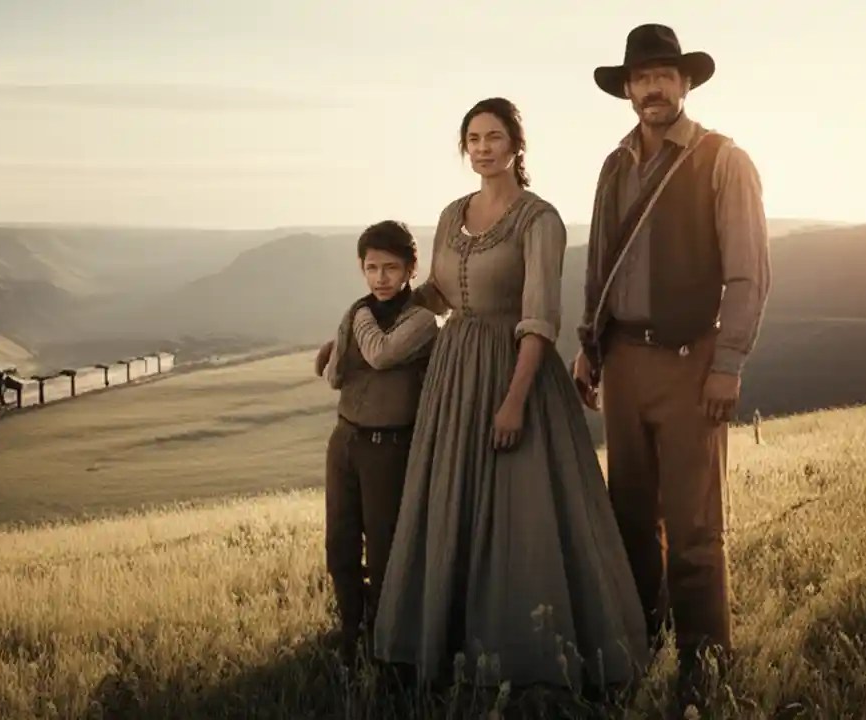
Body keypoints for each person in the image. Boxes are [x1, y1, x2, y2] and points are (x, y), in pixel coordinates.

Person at [369, 97, 650, 698]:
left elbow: (540, 320)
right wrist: (359, 327)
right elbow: (438, 295)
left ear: (517, 145)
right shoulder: (450, 215)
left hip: (514, 370)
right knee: (450, 502)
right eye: (473, 138)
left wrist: (515, 401)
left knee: (522, 514)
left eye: (494, 137)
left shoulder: (539, 219)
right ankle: (442, 647)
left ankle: (531, 658)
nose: (483, 148)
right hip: (454, 377)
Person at [571, 23, 771, 712]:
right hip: (622, 359)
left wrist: (729, 362)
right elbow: (600, 261)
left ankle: (704, 665)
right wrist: (590, 345)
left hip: (693, 363)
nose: (653, 87)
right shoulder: (613, 165)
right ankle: (640, 646)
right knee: (629, 517)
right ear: (626, 89)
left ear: (685, 84)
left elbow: (748, 274)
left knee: (693, 527)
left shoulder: (723, 160)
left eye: (665, 74)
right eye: (641, 77)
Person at [314, 220, 439, 669]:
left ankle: (388, 647)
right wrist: (334, 348)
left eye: (391, 268)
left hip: (389, 447)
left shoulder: (421, 321)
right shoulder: (358, 312)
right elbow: (334, 378)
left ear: (410, 270)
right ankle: (352, 633)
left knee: (385, 549)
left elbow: (382, 354)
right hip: (345, 438)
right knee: (341, 543)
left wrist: (356, 321)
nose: (381, 278)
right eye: (372, 268)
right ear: (362, 268)